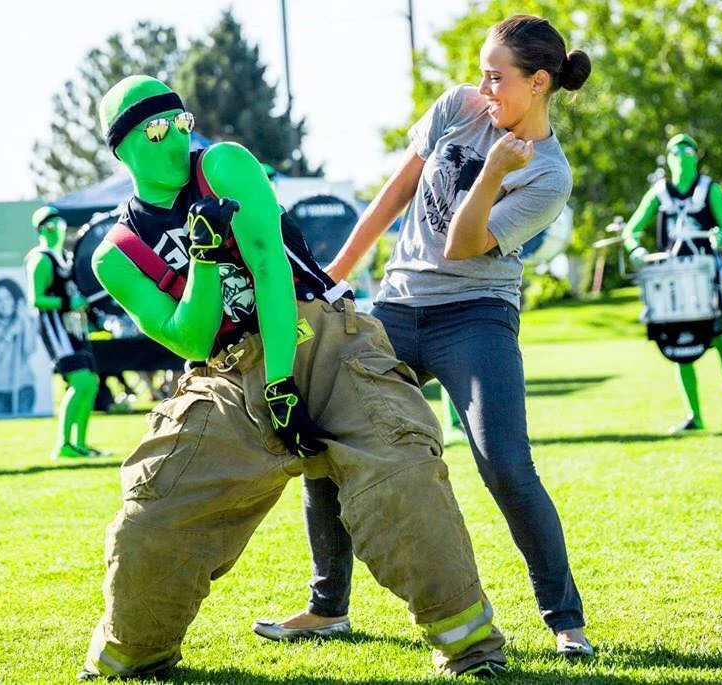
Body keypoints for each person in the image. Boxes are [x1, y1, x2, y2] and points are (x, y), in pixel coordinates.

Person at [78, 75, 505, 680]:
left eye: (181, 124)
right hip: (226, 375)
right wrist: (203, 257)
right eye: (155, 131)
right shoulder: (116, 253)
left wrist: (281, 383)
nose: (175, 140)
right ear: (122, 149)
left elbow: (270, 270)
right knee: (156, 510)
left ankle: (470, 645)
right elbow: (192, 339)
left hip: (321, 336)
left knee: (400, 470)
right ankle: (131, 655)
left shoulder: (223, 165)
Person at [261, 14, 594, 657]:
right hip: (398, 306)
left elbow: (462, 244)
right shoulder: (457, 108)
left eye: (496, 78)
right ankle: (327, 609)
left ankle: (565, 622)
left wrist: (492, 171)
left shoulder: (549, 176)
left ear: (538, 83)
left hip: (476, 316)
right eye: (482, 74)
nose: (484, 88)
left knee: (505, 464)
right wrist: (335, 273)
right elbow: (397, 192)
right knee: (327, 437)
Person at [622, 134, 722, 434]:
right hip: (671, 281)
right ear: (667, 158)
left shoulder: (710, 190)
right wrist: (636, 250)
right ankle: (694, 416)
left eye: (687, 152)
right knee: (678, 344)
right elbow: (632, 230)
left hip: (706, 278)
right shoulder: (659, 193)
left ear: (696, 156)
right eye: (675, 152)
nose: (681, 157)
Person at [25, 207, 102, 457]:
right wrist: (69, 303)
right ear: (42, 229)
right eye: (51, 225)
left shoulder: (66, 257)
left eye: (59, 224)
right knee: (81, 383)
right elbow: (35, 299)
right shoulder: (41, 259)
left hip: (76, 329)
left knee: (91, 384)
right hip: (57, 332)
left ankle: (81, 444)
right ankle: (64, 444)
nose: (57, 229)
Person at [0, 278, 36, 415]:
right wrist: (10, 332)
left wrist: (24, 322)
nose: (3, 304)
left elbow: (29, 350)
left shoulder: (27, 321)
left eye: (7, 298)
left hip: (23, 387)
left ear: (15, 300)